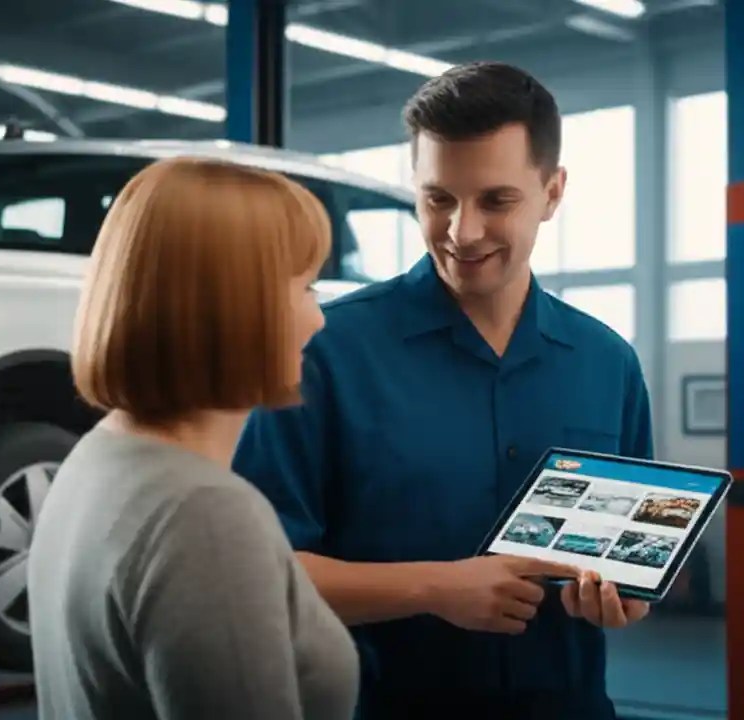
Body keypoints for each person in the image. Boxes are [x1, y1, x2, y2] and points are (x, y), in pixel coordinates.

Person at [232, 61, 654, 720]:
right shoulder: (322, 354)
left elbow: (633, 566)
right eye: (438, 200)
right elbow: (260, 576)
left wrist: (622, 596)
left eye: (496, 201)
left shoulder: (609, 363)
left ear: (552, 192)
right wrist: (434, 588)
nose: (462, 231)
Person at [27, 158, 359, 720]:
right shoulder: (205, 515)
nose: (319, 319)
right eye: (305, 287)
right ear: (239, 305)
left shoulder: (102, 454)